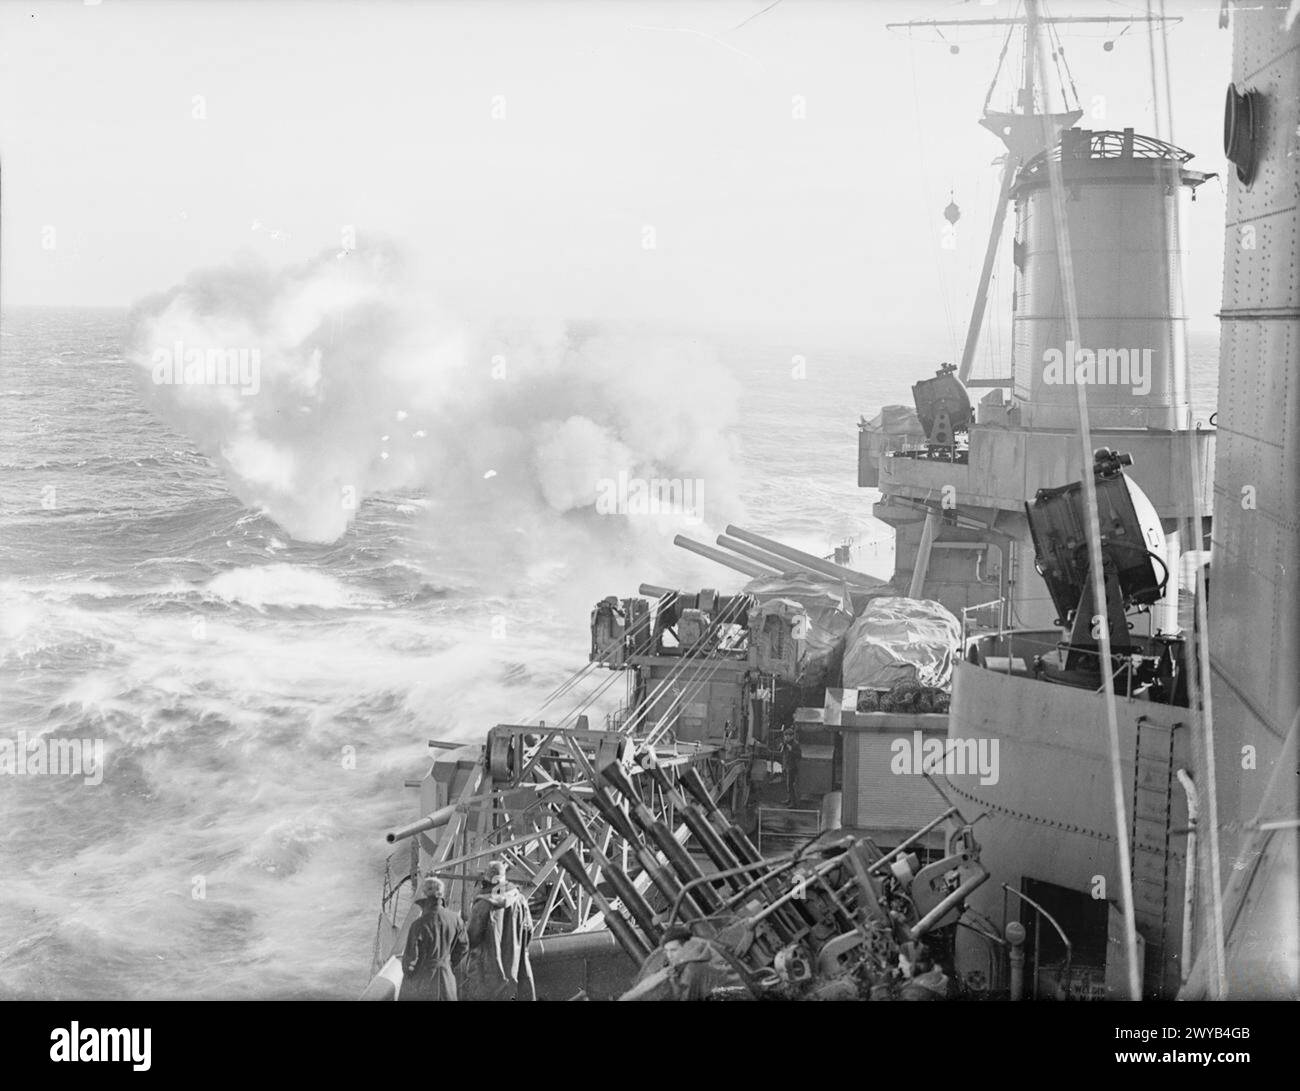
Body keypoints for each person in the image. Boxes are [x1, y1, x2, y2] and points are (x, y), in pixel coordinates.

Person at [464, 860, 536, 1000]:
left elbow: (471, 938)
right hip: (514, 969)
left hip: (488, 973)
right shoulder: (520, 899)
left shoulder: (483, 905)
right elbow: (528, 931)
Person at [400, 876, 469, 1001]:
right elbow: (463, 946)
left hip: (423, 982)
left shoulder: (418, 925)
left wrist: (409, 975)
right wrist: (449, 963)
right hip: (447, 980)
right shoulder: (456, 919)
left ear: (426, 897)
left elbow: (410, 959)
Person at [778, 725, 802, 806]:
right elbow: (781, 752)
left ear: (792, 736)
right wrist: (781, 746)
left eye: (787, 736)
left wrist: (791, 750)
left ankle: (793, 803)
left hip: (792, 767)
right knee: (788, 785)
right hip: (786, 766)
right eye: (785, 736)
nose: (786, 738)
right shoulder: (785, 744)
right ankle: (789, 799)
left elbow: (799, 755)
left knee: (791, 785)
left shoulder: (795, 744)